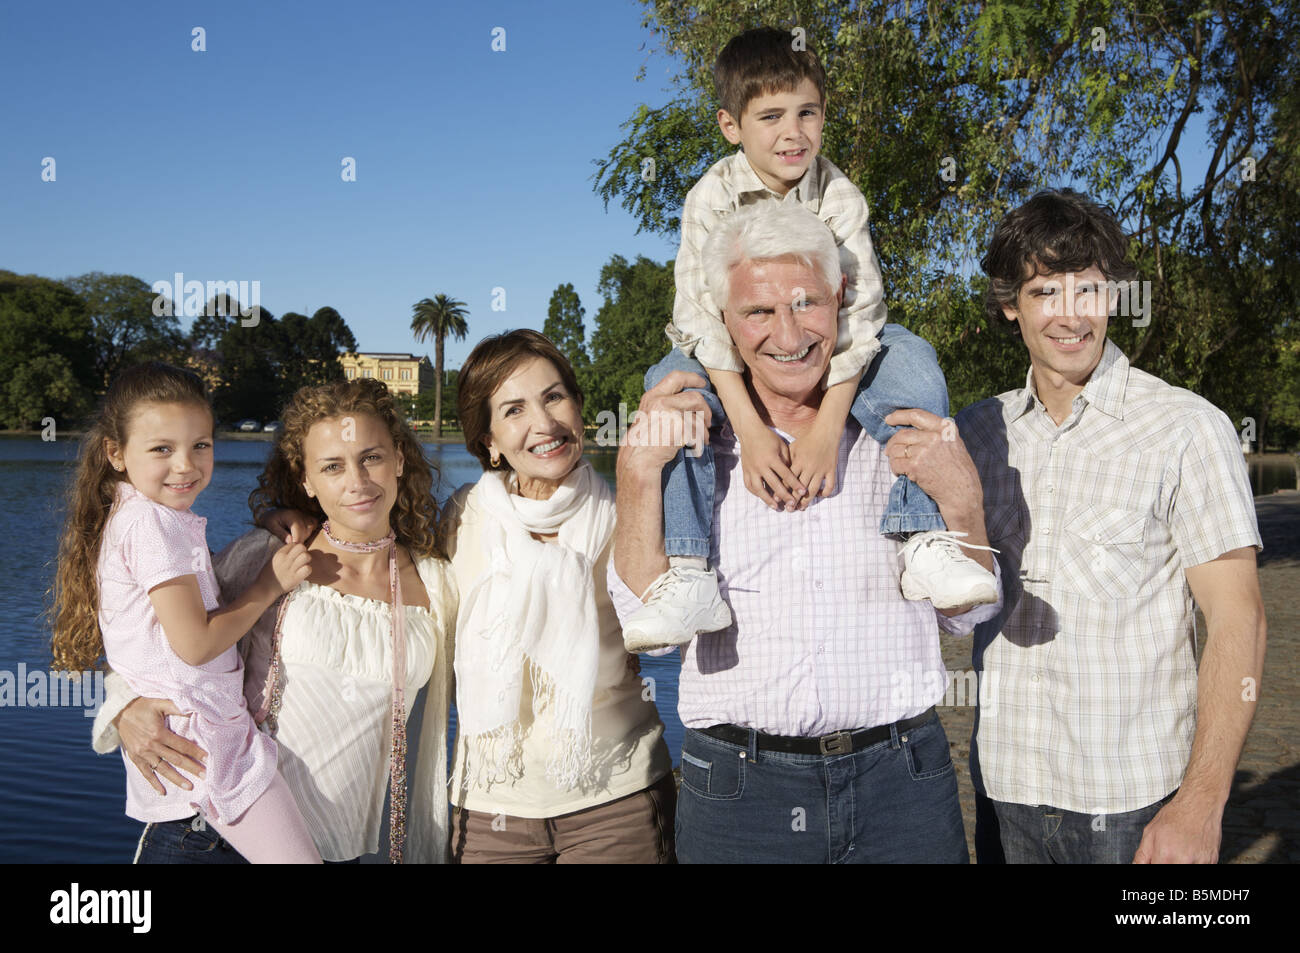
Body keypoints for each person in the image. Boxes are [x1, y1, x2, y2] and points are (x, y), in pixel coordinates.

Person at [610, 203, 1003, 863]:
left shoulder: (905, 429)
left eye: (806, 303)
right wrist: (634, 473)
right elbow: (639, 608)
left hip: (902, 782)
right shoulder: (688, 442)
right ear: (722, 324)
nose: (787, 333)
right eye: (758, 312)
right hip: (738, 790)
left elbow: (971, 615)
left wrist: (962, 500)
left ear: (841, 301)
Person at [624, 25, 995, 653]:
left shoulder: (840, 197)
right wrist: (747, 426)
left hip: (840, 337)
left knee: (914, 360)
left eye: (807, 112)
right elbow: (703, 323)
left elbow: (863, 311)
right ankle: (687, 571)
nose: (792, 132)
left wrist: (827, 426)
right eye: (770, 116)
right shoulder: (709, 198)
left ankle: (926, 536)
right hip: (722, 349)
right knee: (670, 393)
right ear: (730, 125)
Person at [957, 188, 1267, 864]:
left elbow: (1238, 619)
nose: (1071, 316)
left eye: (1089, 291)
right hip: (1003, 789)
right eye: (1044, 291)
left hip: (1137, 804)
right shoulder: (978, 432)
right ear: (1011, 303)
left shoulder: (1188, 428)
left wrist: (1203, 799)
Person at [90, 378, 456, 863]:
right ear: (306, 479)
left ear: (400, 460)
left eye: (372, 457)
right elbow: (148, 634)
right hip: (209, 835)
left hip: (341, 849)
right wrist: (125, 707)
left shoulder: (438, 584)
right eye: (332, 466)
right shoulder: (272, 555)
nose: (358, 481)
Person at [51, 361, 321, 863]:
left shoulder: (140, 515)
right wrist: (271, 583)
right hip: (208, 750)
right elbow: (195, 644)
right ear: (116, 452)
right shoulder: (154, 527)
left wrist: (266, 524)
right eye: (162, 449)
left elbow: (186, 603)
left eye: (201, 445)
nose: (186, 465)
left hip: (193, 744)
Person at [442, 329, 675, 863]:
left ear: (577, 406)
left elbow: (665, 632)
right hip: (491, 805)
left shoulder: (629, 516)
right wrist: (282, 519)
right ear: (489, 441)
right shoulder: (459, 519)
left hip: (617, 799)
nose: (543, 424)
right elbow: (356, 540)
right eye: (514, 410)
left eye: (554, 397)